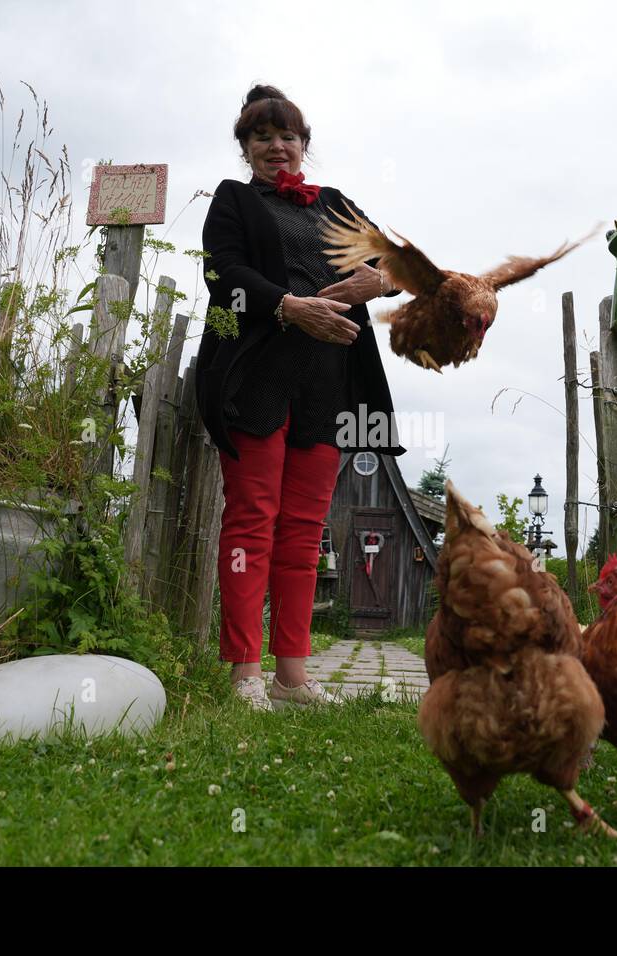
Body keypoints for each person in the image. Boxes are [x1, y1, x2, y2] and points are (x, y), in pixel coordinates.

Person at [196, 84, 407, 711]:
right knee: (252, 522)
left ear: (303, 143)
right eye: (262, 137)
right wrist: (290, 306)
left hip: (328, 384)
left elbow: (397, 263)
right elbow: (222, 277)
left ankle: (293, 676)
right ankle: (245, 673)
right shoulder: (233, 202)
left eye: (287, 135)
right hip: (255, 376)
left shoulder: (336, 205)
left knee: (305, 532)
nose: (276, 147)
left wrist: (381, 279)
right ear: (246, 148)